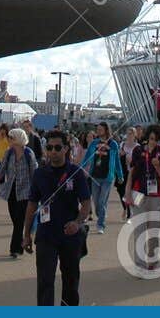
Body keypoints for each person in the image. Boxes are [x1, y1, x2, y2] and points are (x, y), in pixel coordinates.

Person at [29, 128, 91, 304]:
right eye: (49, 148)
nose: (53, 152)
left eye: (57, 147)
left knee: (71, 281)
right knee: (45, 281)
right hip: (46, 234)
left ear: (66, 149)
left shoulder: (76, 173)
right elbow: (32, 204)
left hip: (70, 235)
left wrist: (78, 222)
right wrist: (26, 234)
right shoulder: (40, 173)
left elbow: (86, 203)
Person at [0, 127, 37, 259]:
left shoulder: (28, 153)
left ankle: (15, 249)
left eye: (11, 137)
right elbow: (3, 167)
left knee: (18, 221)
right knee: (15, 219)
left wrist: (36, 191)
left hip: (25, 191)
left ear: (18, 139)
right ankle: (22, 241)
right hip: (11, 190)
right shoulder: (10, 152)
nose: (9, 139)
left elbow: (34, 172)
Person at [126, 124, 160, 228]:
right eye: (151, 138)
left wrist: (157, 167)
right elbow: (131, 173)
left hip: (156, 195)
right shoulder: (138, 150)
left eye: (156, 139)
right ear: (147, 137)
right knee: (138, 228)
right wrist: (128, 193)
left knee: (154, 231)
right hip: (138, 192)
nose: (153, 142)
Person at [79, 121, 120, 233]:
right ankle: (101, 213)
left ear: (106, 130)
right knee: (96, 202)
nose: (98, 131)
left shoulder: (113, 144)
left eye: (100, 129)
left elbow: (117, 161)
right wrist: (80, 168)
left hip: (107, 177)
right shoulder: (94, 143)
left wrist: (120, 175)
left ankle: (100, 224)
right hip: (95, 176)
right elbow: (87, 157)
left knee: (102, 201)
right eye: (98, 130)